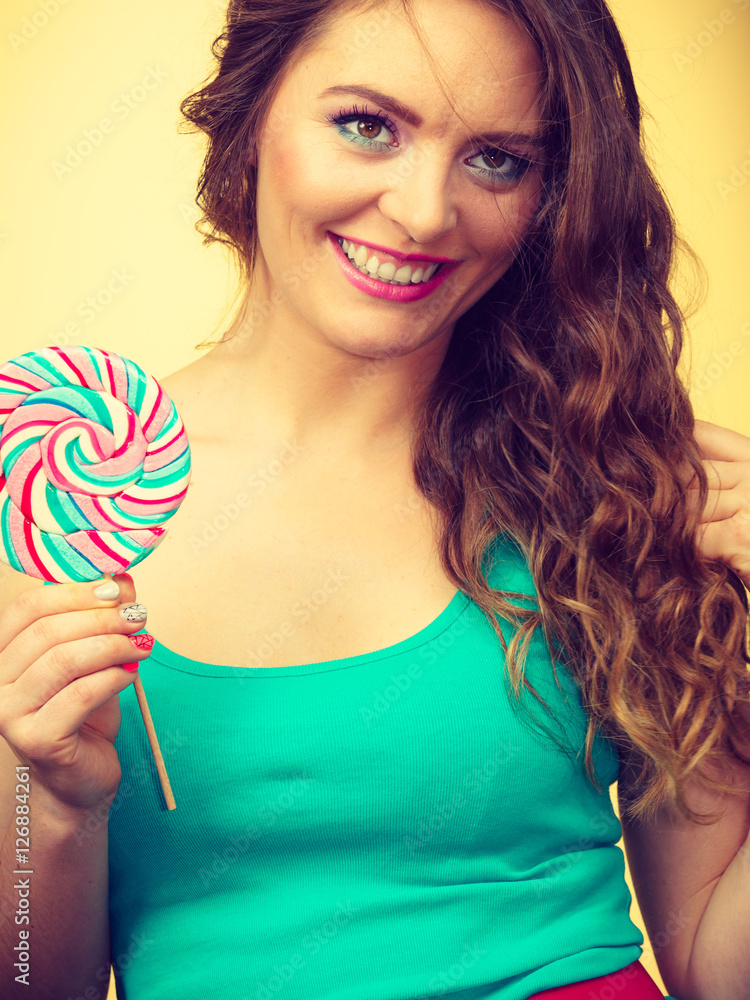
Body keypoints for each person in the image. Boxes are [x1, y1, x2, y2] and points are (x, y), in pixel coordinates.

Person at [1, 0, 749, 997]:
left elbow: (718, 964)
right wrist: (51, 804)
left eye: (497, 159)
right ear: (253, 112)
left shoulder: (612, 488)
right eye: (367, 125)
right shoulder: (57, 511)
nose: (428, 209)